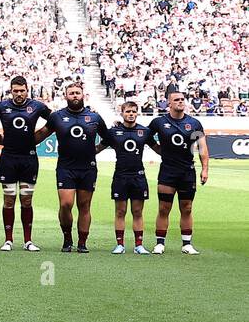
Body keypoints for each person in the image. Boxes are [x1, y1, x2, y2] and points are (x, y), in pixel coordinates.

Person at [34, 82, 105, 253]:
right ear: (66, 96)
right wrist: (21, 141)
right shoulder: (57, 117)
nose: (75, 95)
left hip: (88, 168)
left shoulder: (94, 117)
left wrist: (96, 149)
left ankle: (82, 242)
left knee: (84, 205)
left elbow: (108, 137)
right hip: (66, 167)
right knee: (66, 204)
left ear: (83, 95)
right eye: (71, 93)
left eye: (77, 93)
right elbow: (41, 134)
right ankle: (67, 238)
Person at [0, 75, 52, 252]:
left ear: (27, 90)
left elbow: (55, 121)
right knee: (9, 200)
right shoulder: (2, 107)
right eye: (15, 91)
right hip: (8, 158)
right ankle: (8, 240)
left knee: (26, 200)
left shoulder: (37, 106)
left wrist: (39, 136)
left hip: (29, 158)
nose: (19, 94)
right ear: (11, 91)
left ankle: (28, 241)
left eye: (22, 91)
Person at [146, 89, 209, 255]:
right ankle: (160, 243)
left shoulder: (194, 124)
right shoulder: (159, 122)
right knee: (164, 208)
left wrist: (205, 169)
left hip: (187, 172)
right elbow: (145, 137)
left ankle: (187, 244)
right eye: (176, 100)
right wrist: (158, 150)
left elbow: (202, 147)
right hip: (167, 171)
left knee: (187, 208)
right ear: (169, 103)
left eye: (182, 99)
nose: (180, 102)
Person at [101, 100, 150, 254]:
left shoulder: (144, 132)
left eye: (134, 112)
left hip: (138, 176)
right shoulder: (113, 132)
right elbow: (99, 147)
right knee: (120, 211)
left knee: (137, 212)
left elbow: (158, 148)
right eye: (128, 111)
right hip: (120, 176)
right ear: (122, 113)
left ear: (137, 113)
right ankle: (120, 245)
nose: (131, 114)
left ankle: (138, 245)